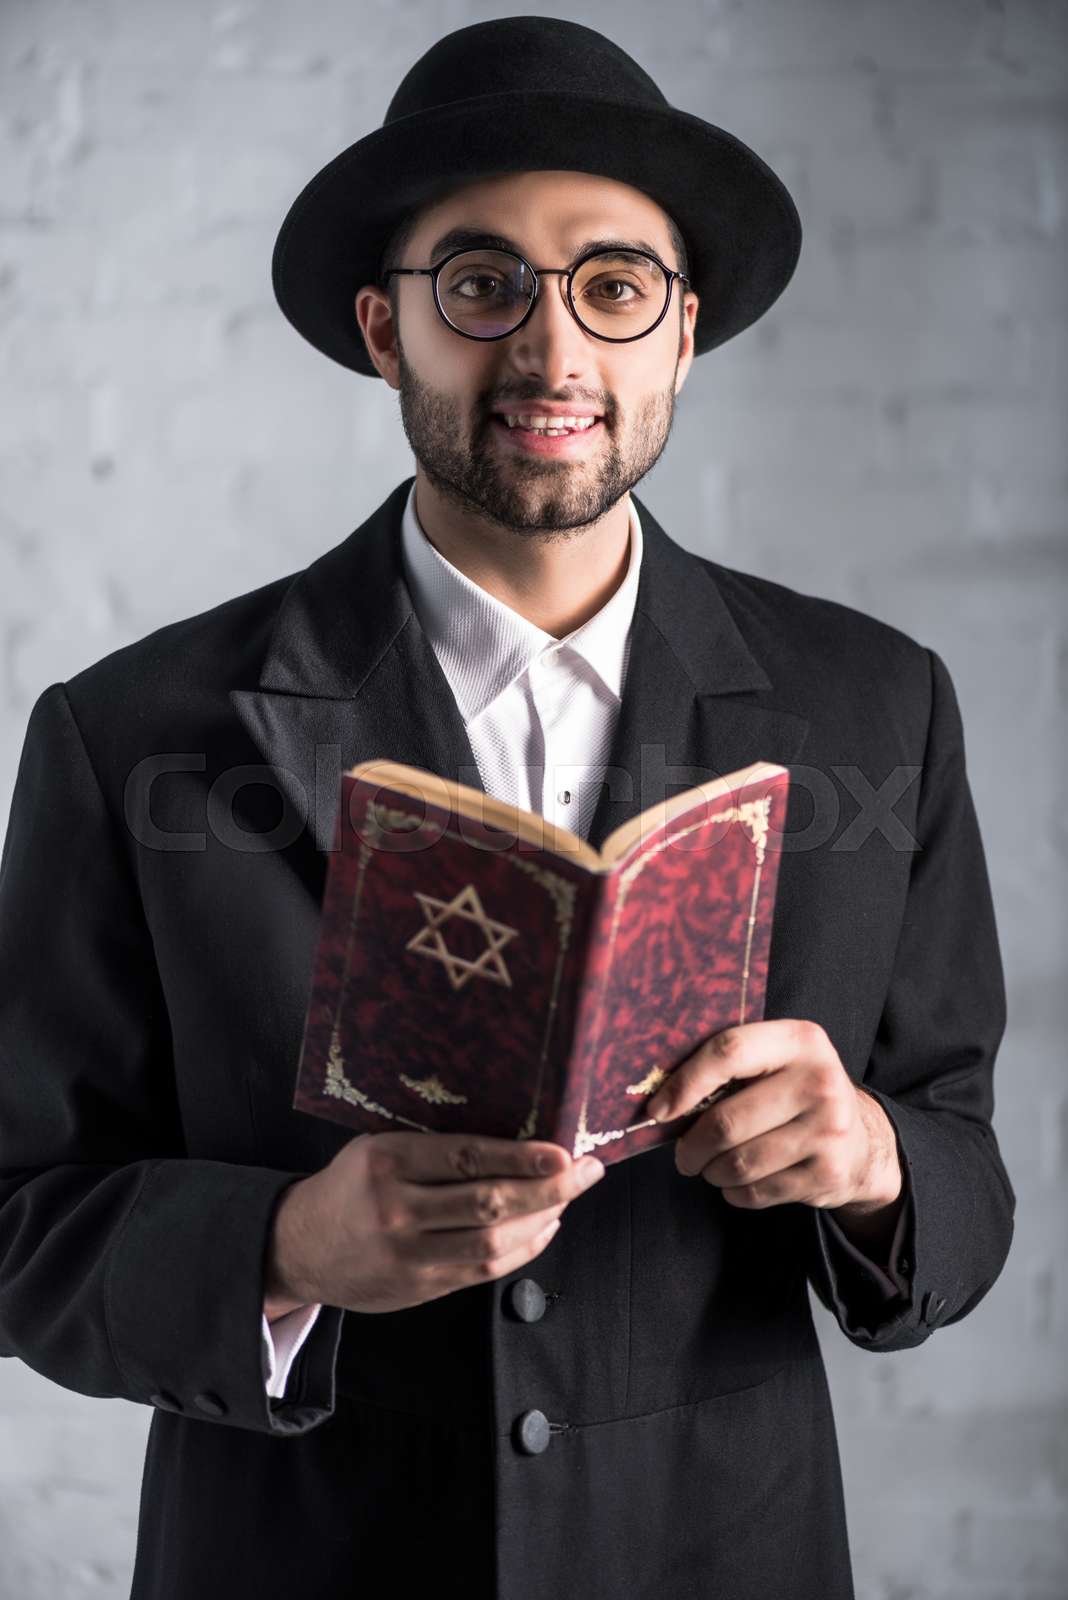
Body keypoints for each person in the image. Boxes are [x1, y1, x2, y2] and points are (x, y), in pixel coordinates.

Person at [0, 18, 1014, 1600]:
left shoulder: (878, 704)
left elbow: (965, 1170)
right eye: (482, 288)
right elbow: (25, 1226)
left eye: (614, 290)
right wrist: (285, 1253)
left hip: (722, 1556)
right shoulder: (127, 730)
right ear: (384, 331)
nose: (553, 355)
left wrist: (876, 1157)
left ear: (684, 334)